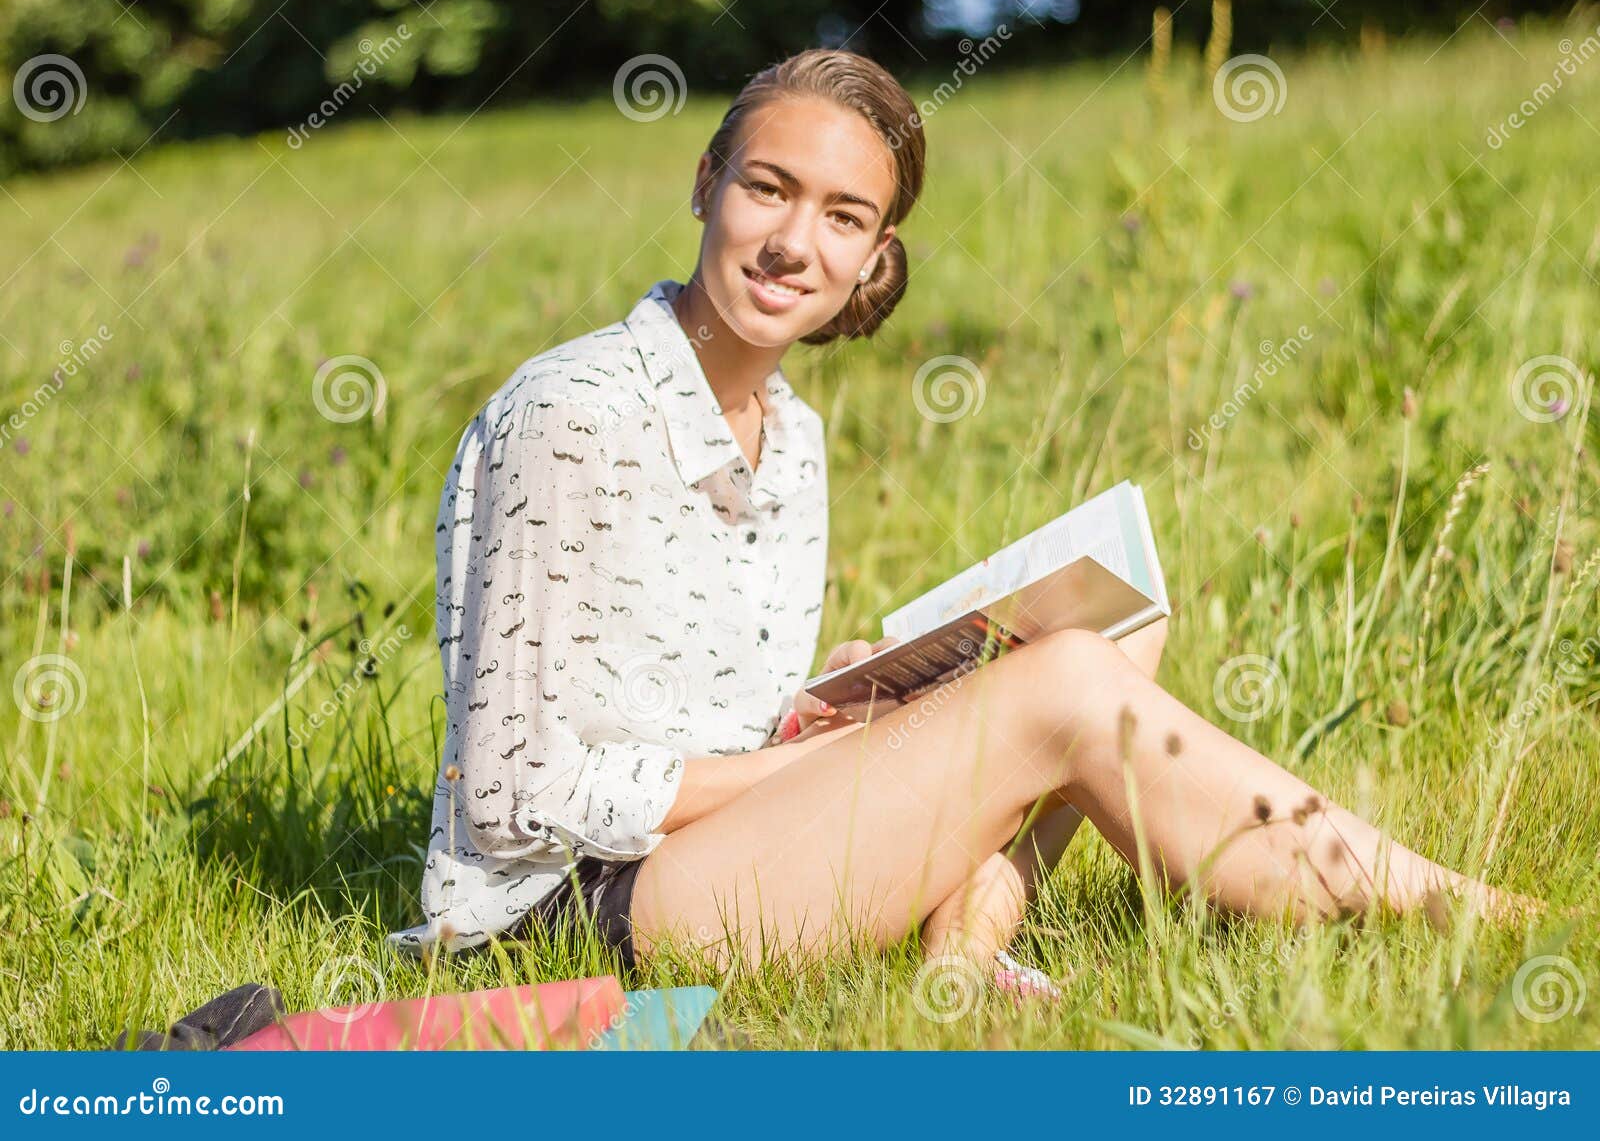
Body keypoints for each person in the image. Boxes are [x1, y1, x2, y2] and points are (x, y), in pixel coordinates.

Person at [389, 48, 1536, 999]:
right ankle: (1456, 909)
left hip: (721, 843)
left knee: (1109, 628)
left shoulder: (792, 436)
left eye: (843, 215)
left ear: (874, 252)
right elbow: (517, 794)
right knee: (1069, 686)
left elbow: (683, 706)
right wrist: (837, 756)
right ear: (705, 183)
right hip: (572, 919)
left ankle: (962, 957)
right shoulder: (574, 413)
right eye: (768, 188)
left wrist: (837, 703)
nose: (796, 243)